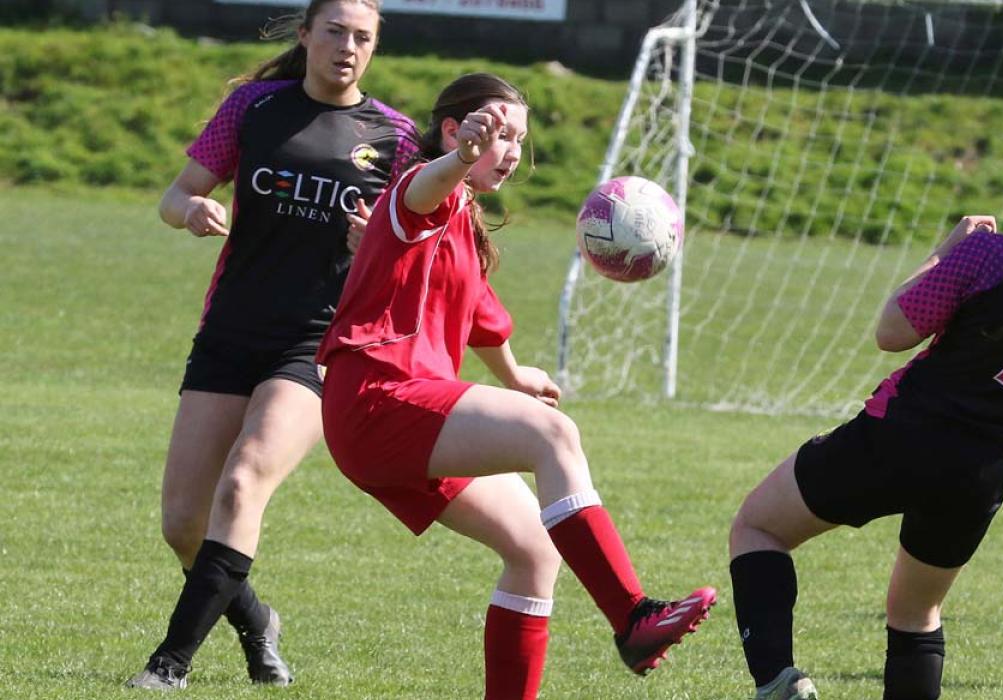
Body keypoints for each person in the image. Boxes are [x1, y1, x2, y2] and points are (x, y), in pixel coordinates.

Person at [316, 72, 717, 700]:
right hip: (379, 398)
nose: (511, 153)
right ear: (455, 130)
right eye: (501, 136)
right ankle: (633, 616)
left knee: (534, 550)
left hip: (400, 407)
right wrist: (460, 158)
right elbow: (423, 190)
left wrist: (514, 376)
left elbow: (478, 313)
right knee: (552, 435)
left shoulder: (460, 218)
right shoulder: (422, 188)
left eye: (519, 141)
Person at [726, 136, 1003, 700]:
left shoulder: (989, 256)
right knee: (915, 615)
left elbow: (891, 332)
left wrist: (946, 250)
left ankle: (776, 679)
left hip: (898, 438)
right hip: (979, 476)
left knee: (758, 528)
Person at [126, 0, 417, 689]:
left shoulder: (398, 138)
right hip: (230, 331)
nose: (348, 47)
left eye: (363, 37)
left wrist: (378, 244)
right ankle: (257, 621)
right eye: (335, 31)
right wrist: (191, 210)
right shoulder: (252, 109)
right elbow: (174, 197)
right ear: (307, 34)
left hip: (316, 343)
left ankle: (169, 664)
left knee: (244, 479)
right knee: (183, 524)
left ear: (374, 48)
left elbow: (419, 256)